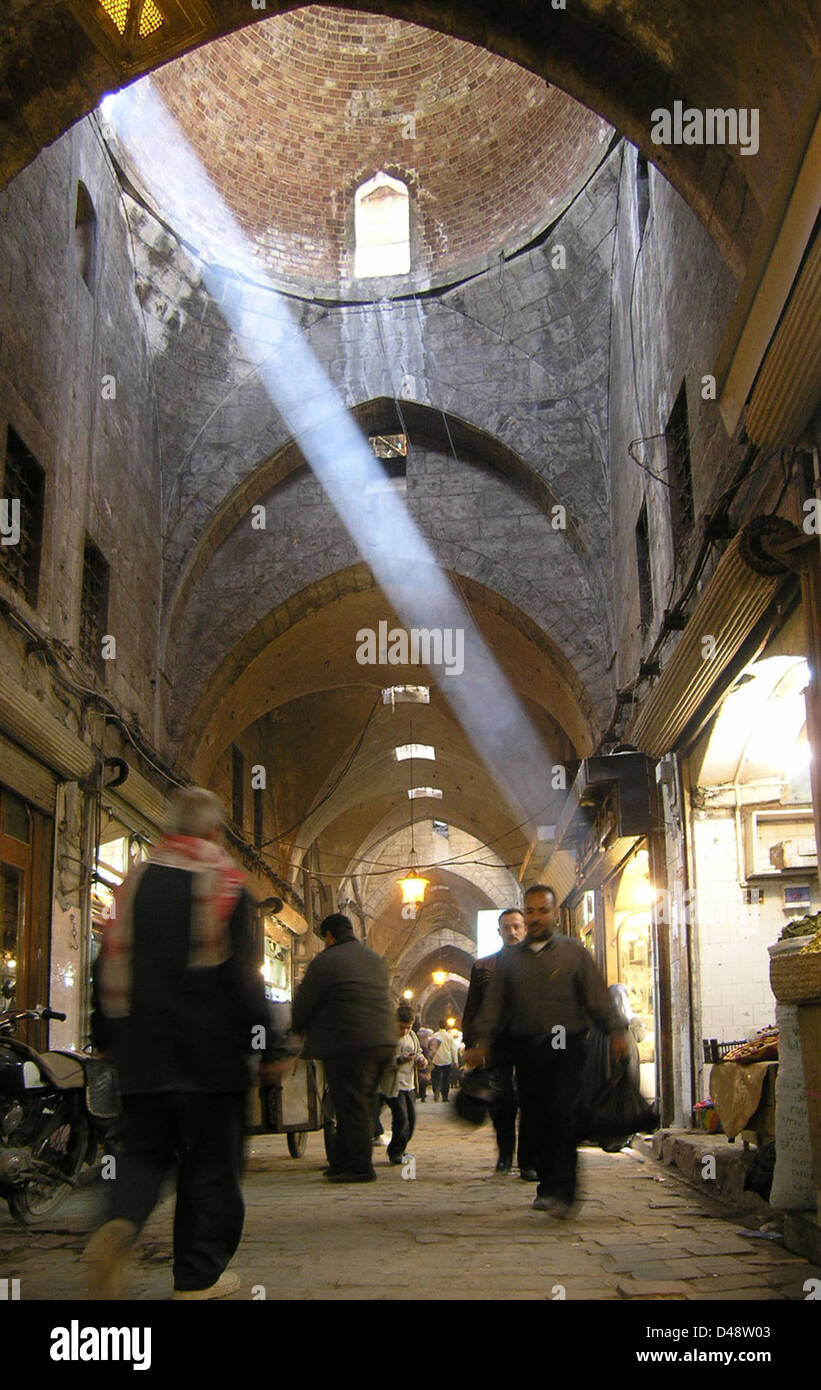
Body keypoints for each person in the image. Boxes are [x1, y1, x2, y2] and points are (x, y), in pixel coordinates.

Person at [85, 787, 269, 1300]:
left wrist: (106, 1038)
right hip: (210, 1058)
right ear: (213, 830)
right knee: (210, 1164)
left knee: (142, 1153)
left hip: (142, 1053)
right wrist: (265, 1041)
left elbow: (106, 965)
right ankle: (197, 1278)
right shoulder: (226, 882)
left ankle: (118, 1222)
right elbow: (242, 978)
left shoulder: (134, 882)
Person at [467, 884, 629, 1219]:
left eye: (543, 910)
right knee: (537, 1117)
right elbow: (494, 1005)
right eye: (531, 910)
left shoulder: (573, 954)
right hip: (529, 1049)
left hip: (568, 1047)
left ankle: (562, 1189)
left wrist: (616, 1030)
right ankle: (546, 1186)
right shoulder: (510, 961)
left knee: (563, 1116)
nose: (537, 917)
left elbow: (597, 997)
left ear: (555, 913)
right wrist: (481, 1041)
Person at [290, 912, 394, 1183]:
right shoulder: (374, 960)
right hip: (382, 1042)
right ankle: (341, 1162)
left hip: (349, 1043)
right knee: (360, 1103)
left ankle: (361, 1167)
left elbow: (304, 1001)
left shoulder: (326, 961)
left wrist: (297, 1030)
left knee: (351, 1104)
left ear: (329, 936)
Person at [462, 907, 536, 1176]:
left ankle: (528, 1161)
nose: (512, 932)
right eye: (507, 927)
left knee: (530, 1101)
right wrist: (471, 1044)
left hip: (530, 1044)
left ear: (525, 929)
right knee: (501, 1102)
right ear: (499, 932)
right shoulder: (484, 966)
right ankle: (505, 1154)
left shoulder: (538, 964)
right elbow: (472, 1008)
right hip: (497, 1046)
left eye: (517, 926)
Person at [380, 1004, 423, 1165]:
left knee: (411, 1120)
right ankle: (395, 1153)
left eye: (408, 1027)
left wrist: (420, 1059)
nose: (404, 1031)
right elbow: (382, 1060)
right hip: (393, 1085)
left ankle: (401, 1147)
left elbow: (418, 1052)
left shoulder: (412, 1036)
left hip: (409, 1084)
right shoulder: (388, 1038)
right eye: (401, 1027)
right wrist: (399, 1060)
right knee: (401, 1118)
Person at [429, 1019, 460, 1101]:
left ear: (438, 1025)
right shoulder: (449, 1036)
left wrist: (429, 1059)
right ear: (446, 1026)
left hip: (436, 1060)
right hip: (447, 1060)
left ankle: (436, 1089)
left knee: (436, 1077)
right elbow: (454, 1049)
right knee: (446, 1079)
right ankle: (445, 1097)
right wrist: (455, 1061)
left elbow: (431, 1048)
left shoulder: (434, 1035)